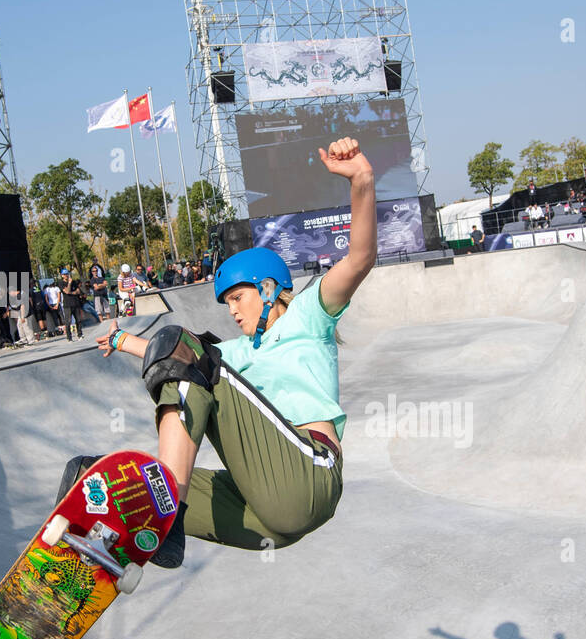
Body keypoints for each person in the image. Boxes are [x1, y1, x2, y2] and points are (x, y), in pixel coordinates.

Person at [80, 136, 374, 577]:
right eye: (228, 304)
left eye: (238, 298)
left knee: (190, 349)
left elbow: (360, 257)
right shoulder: (236, 354)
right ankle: (103, 545)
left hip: (310, 474)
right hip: (265, 514)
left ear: (269, 289)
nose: (233, 311)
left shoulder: (308, 317)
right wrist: (122, 341)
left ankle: (168, 510)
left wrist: (362, 181)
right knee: (110, 482)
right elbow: (173, 360)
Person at [59, 269, 84, 340]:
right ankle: (69, 337)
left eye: (67, 274)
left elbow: (78, 291)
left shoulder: (74, 282)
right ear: (62, 275)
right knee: (68, 321)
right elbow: (67, 291)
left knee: (78, 320)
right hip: (67, 305)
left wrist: (72, 293)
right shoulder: (61, 283)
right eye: (64, 274)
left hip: (75, 303)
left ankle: (80, 334)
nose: (66, 276)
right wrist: (69, 284)